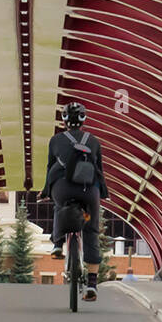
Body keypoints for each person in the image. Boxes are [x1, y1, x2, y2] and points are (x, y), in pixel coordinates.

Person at [39, 101, 108, 301]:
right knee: (91, 229)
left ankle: (58, 244)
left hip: (63, 187)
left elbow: (50, 168)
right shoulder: (93, 141)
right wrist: (102, 193)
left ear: (64, 120)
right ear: (84, 119)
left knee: (59, 206)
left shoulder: (55, 140)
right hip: (89, 190)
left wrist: (45, 191)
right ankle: (92, 285)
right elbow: (99, 170)